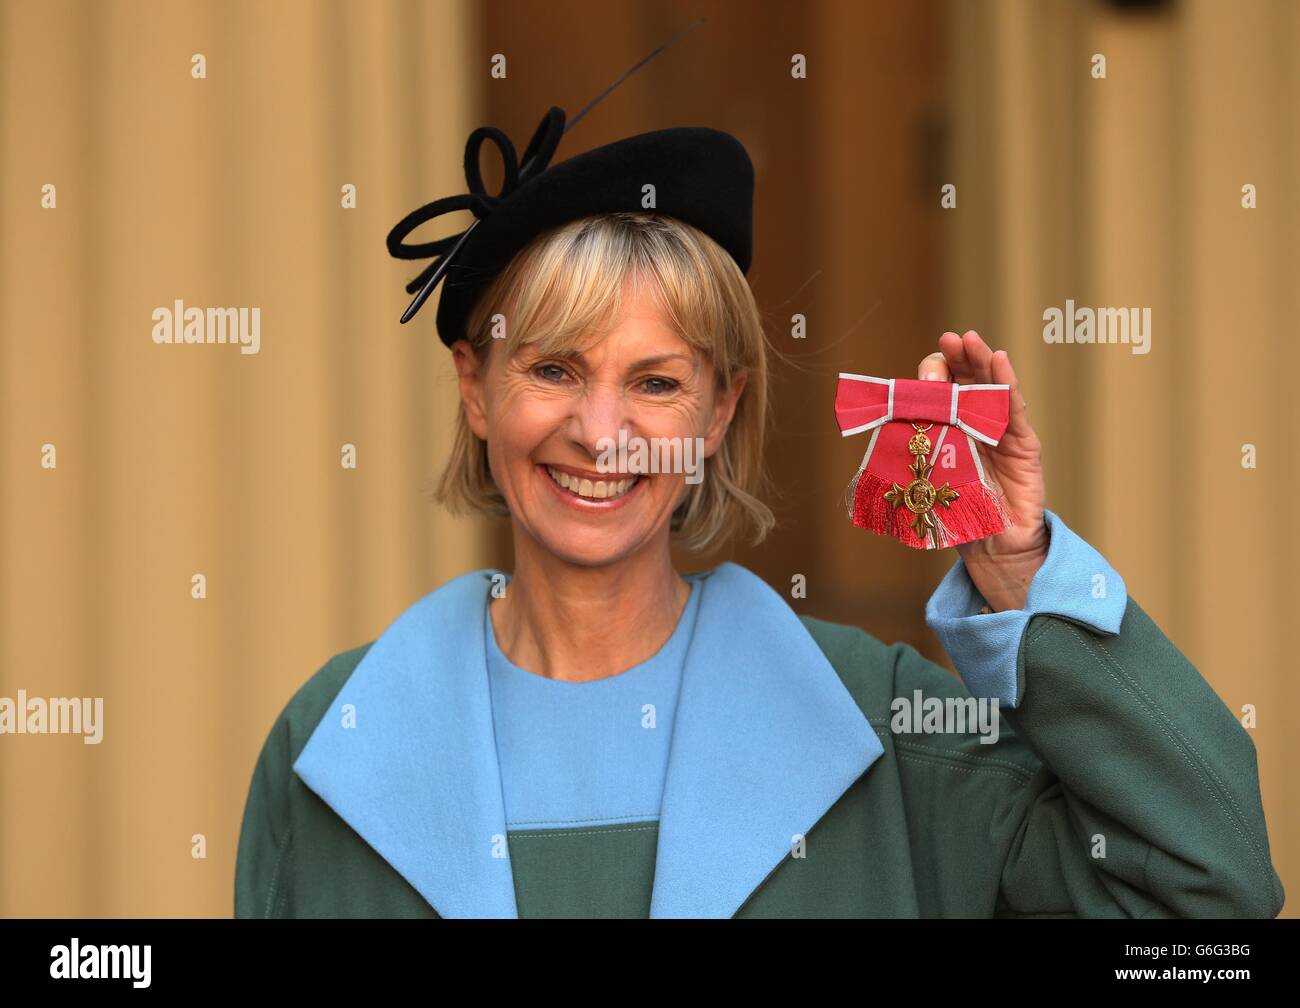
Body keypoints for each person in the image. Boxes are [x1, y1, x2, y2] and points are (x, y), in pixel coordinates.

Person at [234, 116, 1285, 919]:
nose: (601, 434)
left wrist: (1021, 574)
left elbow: (1206, 890)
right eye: (553, 368)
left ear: (720, 405)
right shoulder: (333, 739)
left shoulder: (879, 728)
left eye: (655, 383)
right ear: (475, 386)